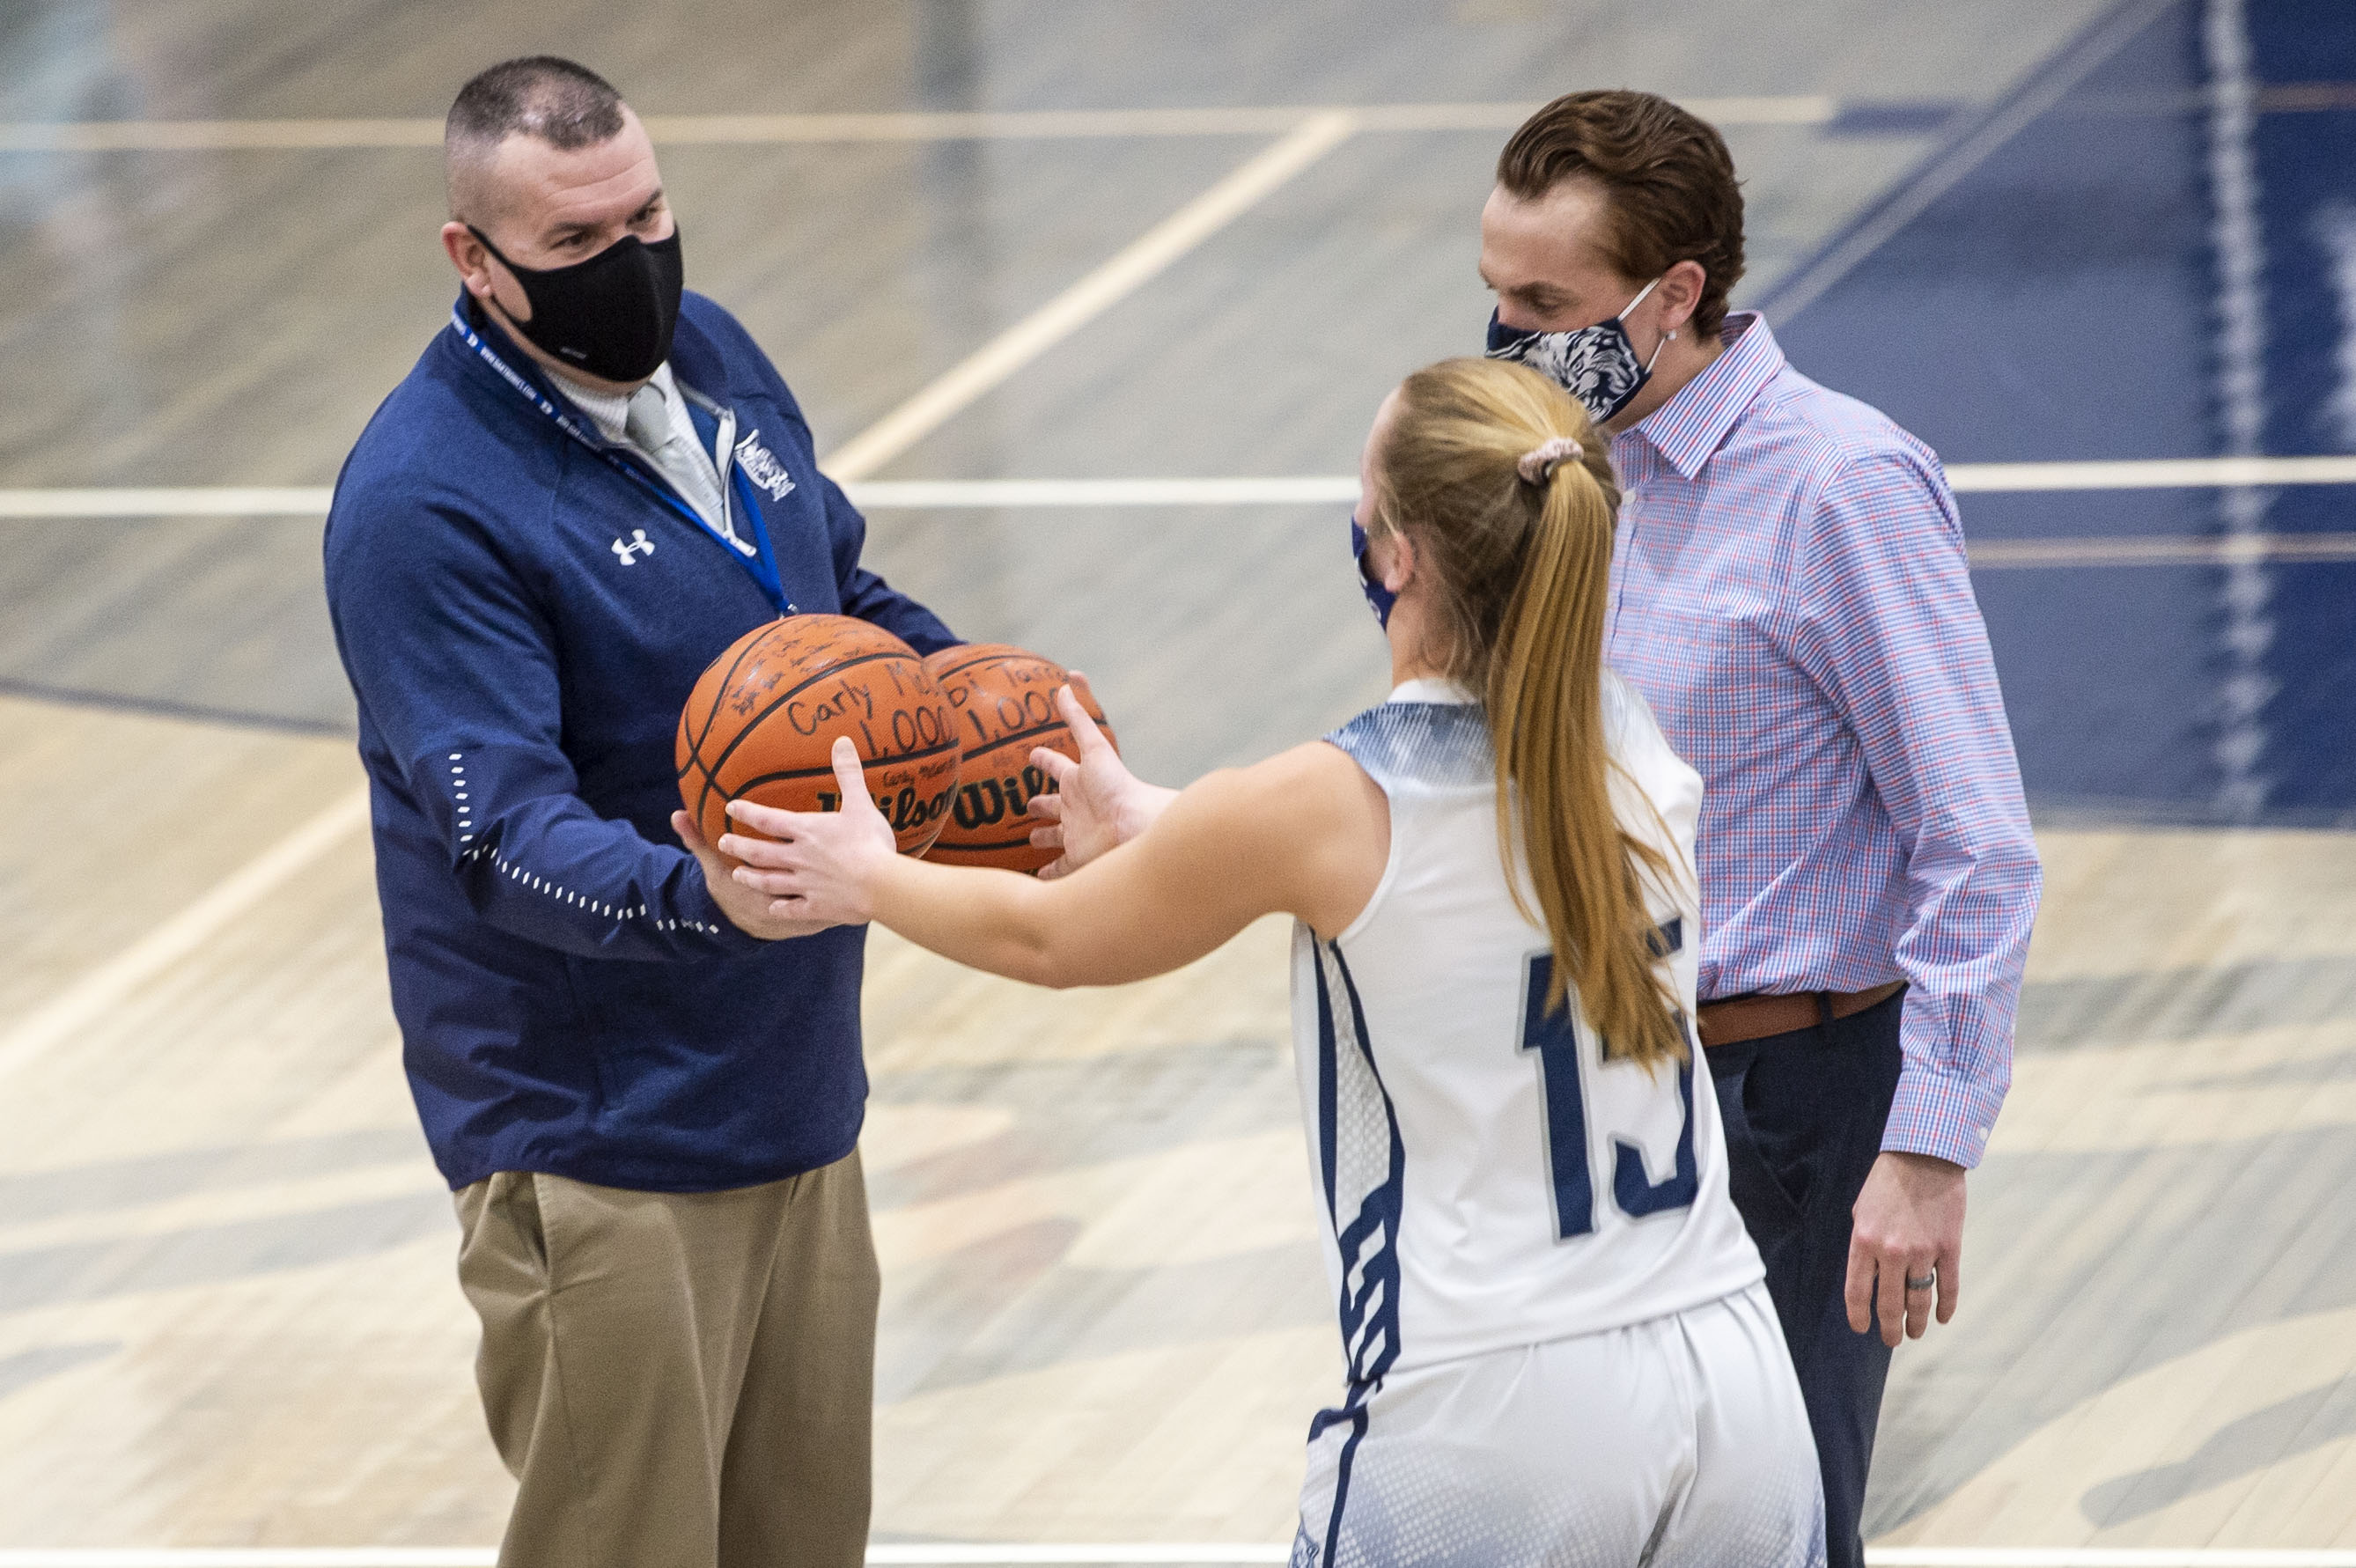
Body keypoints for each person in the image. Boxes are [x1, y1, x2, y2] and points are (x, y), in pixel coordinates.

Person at [1026, 89, 2044, 1568]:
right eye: (1494, 292)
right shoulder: (1551, 475)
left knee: (1776, 1525)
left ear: (1674, 293)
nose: (1505, 332)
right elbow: (1465, 800)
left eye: (1544, 303)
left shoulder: (1843, 486)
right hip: (1620, 1077)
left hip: (1800, 1101)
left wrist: (1930, 1147)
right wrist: (1182, 828)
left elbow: (1978, 841)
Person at [724, 357, 1827, 1568]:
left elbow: (1050, 938)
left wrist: (866, 874)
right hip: (1733, 1386)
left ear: (1398, 555)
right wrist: (1168, 824)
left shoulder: (1324, 803)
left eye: (1364, 489)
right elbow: (1445, 871)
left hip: (1498, 1418)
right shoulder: (1626, 736)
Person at [322, 56, 954, 1568]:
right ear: (474, 259)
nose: (633, 264)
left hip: (795, 1097)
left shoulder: (713, 352)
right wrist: (706, 894)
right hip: (597, 1145)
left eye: (649, 217)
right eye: (576, 243)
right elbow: (499, 836)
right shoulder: (423, 506)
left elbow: (836, 600)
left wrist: (978, 704)